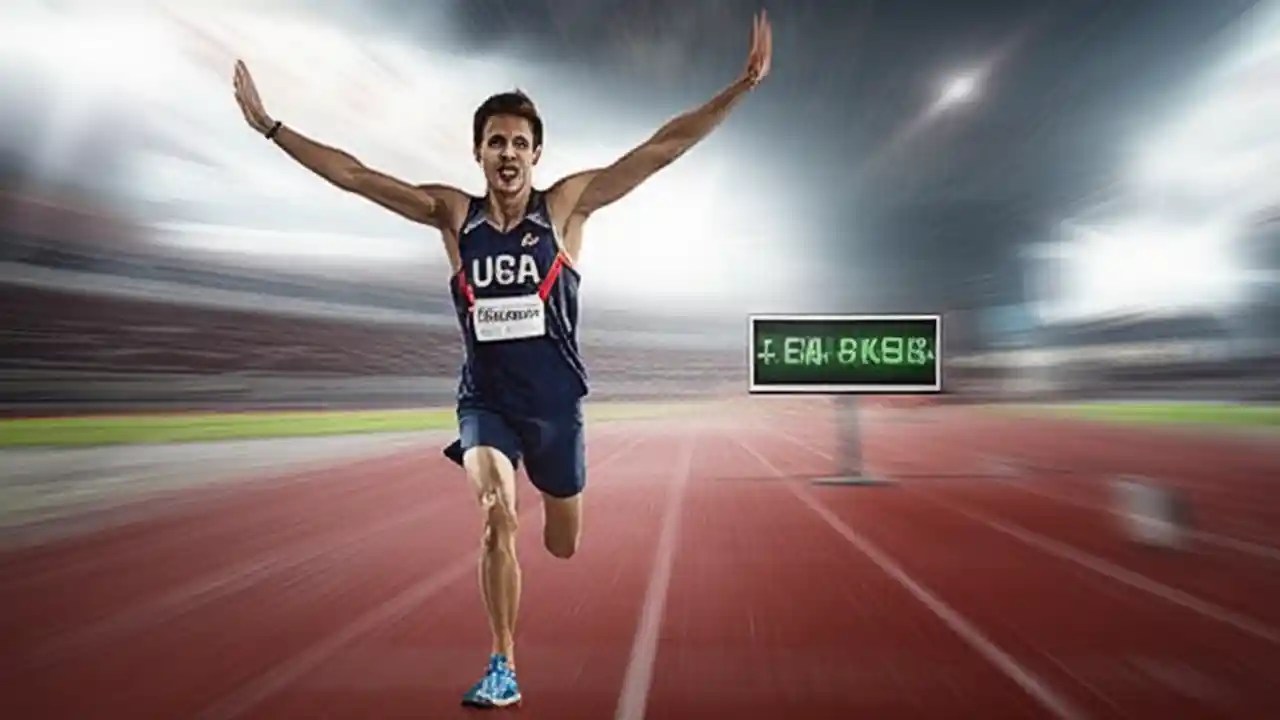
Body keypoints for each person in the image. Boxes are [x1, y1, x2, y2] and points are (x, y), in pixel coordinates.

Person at [232, 10, 772, 709]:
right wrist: (272, 128)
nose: (508, 153)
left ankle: (559, 504)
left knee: (563, 542)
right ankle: (503, 666)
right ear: (478, 154)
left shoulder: (567, 208)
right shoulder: (455, 216)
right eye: (495, 143)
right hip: (484, 403)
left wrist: (740, 87)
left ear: (536, 154)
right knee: (495, 514)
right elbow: (357, 177)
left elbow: (659, 148)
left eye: (519, 142)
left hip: (556, 409)